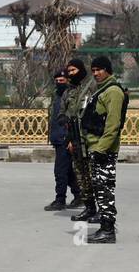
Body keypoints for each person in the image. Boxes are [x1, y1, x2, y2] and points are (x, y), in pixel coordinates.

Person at [81, 55, 127, 244]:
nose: (96, 73)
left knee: (105, 189)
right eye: (93, 70)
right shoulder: (101, 90)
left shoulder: (113, 91)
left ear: (107, 70)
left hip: (104, 149)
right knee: (100, 189)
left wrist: (101, 148)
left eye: (99, 70)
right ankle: (104, 227)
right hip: (97, 147)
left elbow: (113, 124)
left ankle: (108, 230)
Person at [44, 68, 81, 210]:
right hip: (57, 138)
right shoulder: (56, 96)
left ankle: (60, 200)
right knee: (68, 171)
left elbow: (72, 117)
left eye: (62, 80)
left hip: (66, 138)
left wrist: (70, 138)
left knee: (60, 171)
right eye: (57, 81)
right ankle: (79, 195)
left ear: (67, 81)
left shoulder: (70, 96)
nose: (59, 83)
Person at [65, 59, 96, 221]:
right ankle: (89, 207)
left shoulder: (92, 85)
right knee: (81, 176)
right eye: (69, 71)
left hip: (90, 138)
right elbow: (69, 116)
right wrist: (69, 140)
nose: (71, 74)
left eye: (73, 70)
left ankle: (101, 211)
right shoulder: (72, 90)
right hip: (76, 138)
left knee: (94, 176)